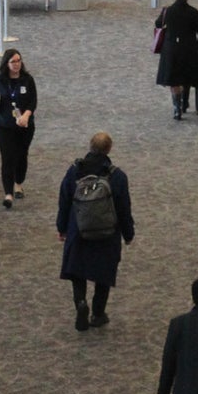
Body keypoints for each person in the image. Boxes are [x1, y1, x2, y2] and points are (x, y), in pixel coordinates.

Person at [55, 131, 135, 331]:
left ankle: (81, 302)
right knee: (103, 273)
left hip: (78, 229)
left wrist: (61, 227)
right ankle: (98, 314)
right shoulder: (117, 176)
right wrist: (128, 233)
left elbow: (64, 199)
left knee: (77, 271)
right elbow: (124, 207)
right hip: (107, 233)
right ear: (109, 149)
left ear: (90, 147)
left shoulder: (74, 171)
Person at [0, 48, 36, 208]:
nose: (16, 64)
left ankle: (18, 183)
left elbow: (33, 101)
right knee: (7, 158)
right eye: (13, 61)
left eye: (19, 61)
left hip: (25, 126)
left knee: (21, 156)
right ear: (6, 63)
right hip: (4, 125)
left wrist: (26, 115)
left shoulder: (27, 80)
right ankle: (8, 194)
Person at [154, 0, 198, 120]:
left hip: (171, 49)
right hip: (189, 49)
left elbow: (158, 24)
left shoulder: (168, 11)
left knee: (174, 80)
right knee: (187, 76)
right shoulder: (193, 12)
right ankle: (185, 102)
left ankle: (177, 107)